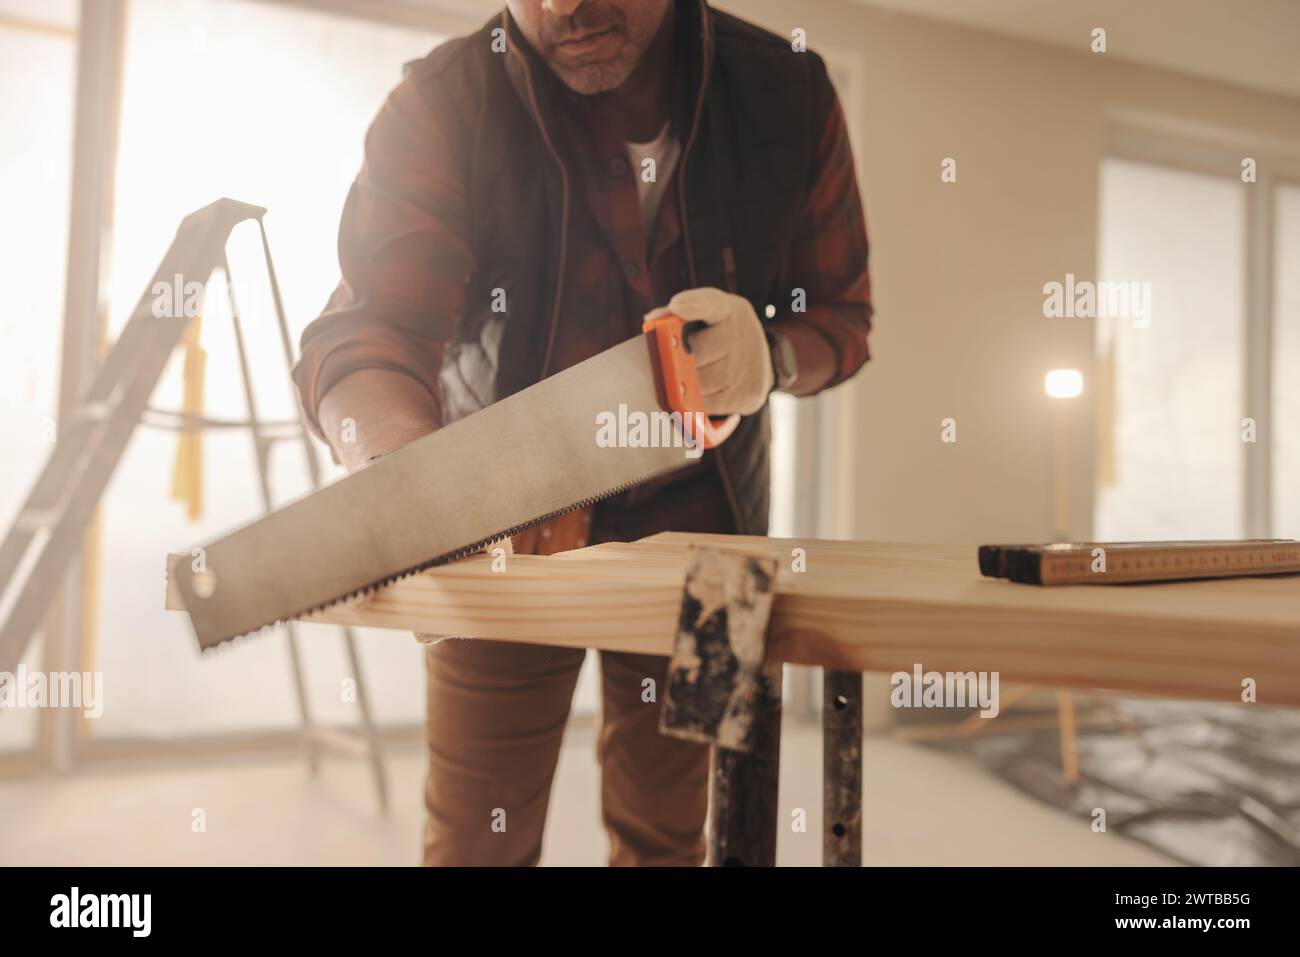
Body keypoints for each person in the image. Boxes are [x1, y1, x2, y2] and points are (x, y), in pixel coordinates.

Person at [292, 0, 872, 866]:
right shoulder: (445, 100)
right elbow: (370, 333)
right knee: (474, 845)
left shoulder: (790, 91)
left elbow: (844, 320)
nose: (563, 2)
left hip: (717, 548)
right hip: (491, 533)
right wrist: (406, 480)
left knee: (671, 839)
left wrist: (774, 353)